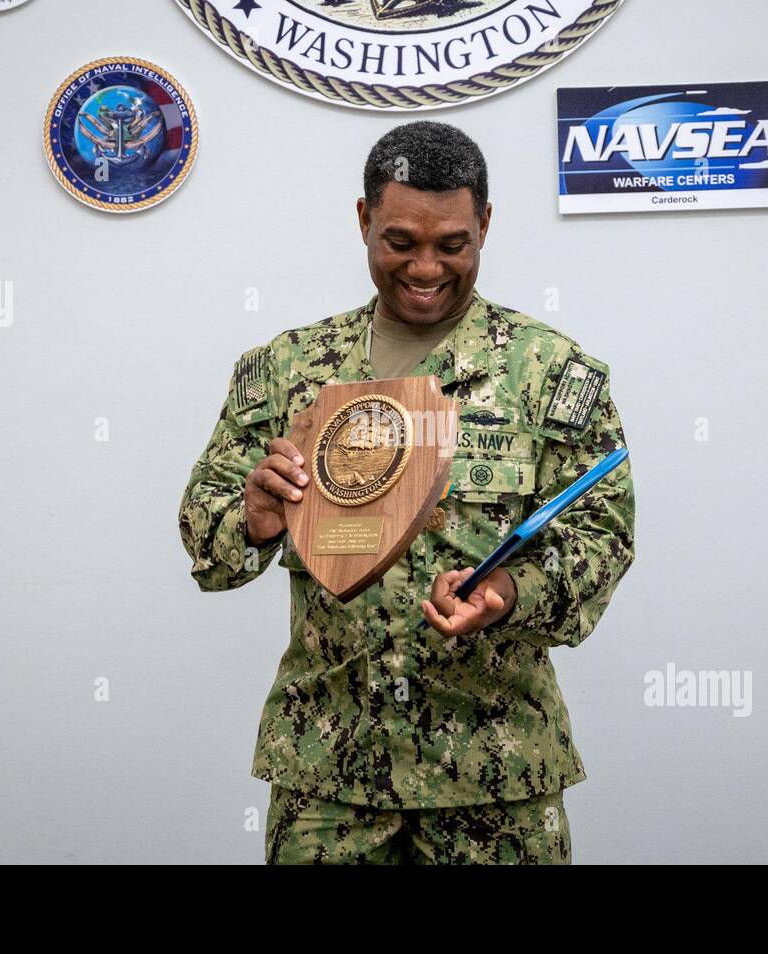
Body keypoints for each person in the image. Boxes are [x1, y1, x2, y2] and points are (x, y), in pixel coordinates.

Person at [179, 121, 635, 864]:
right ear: (363, 220)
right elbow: (207, 546)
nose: (426, 267)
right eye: (400, 242)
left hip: (495, 771)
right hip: (328, 771)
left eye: (452, 244)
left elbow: (602, 542)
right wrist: (255, 519)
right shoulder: (287, 368)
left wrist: (512, 592)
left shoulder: (553, 373)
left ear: (484, 224)